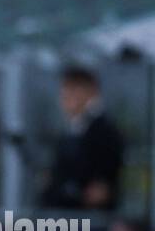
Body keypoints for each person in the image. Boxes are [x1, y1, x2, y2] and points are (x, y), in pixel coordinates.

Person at [39, 66, 123, 212]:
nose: (65, 97)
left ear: (91, 91)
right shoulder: (74, 128)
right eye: (65, 91)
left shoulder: (103, 131)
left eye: (72, 90)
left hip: (87, 218)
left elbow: (99, 190)